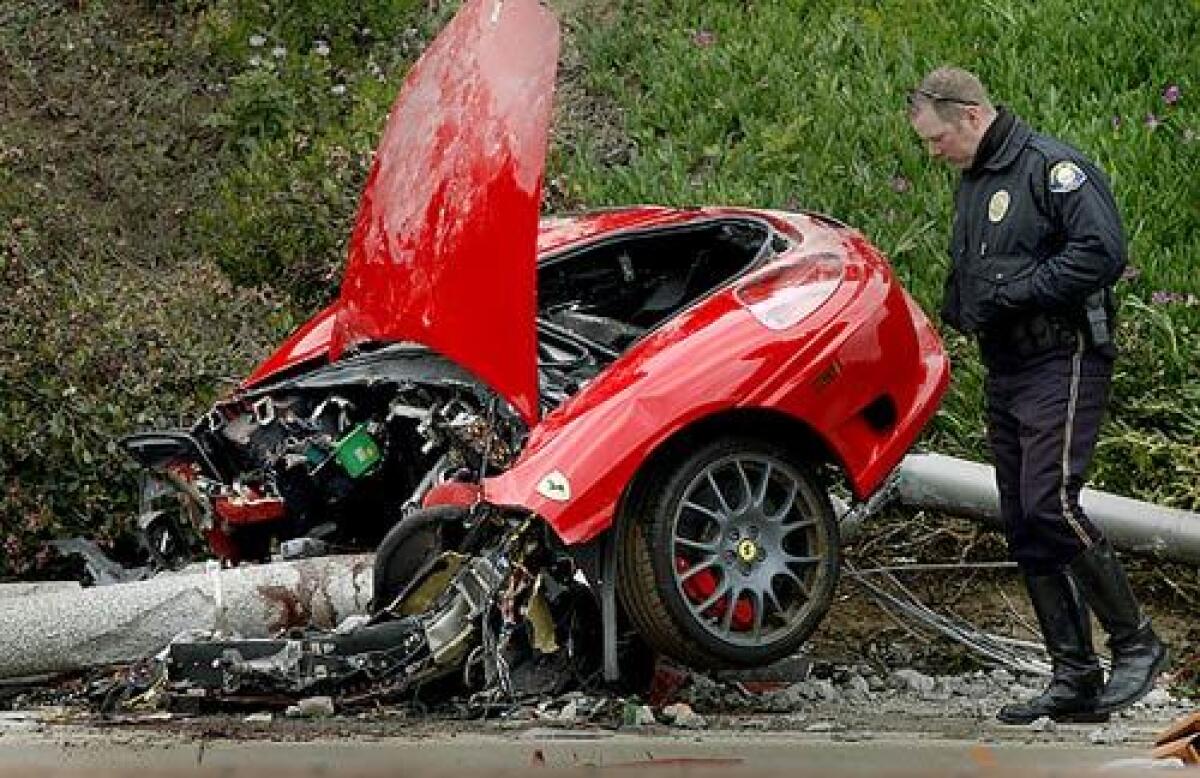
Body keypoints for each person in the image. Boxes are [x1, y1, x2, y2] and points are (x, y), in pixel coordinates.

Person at [906, 67, 1167, 724]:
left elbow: (1101, 252)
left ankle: (1138, 643)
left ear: (969, 115)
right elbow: (972, 267)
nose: (933, 154)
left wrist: (1020, 291)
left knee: (1051, 503)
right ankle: (1074, 675)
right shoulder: (975, 181)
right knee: (1024, 521)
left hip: (1063, 354)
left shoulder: (1052, 168)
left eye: (938, 139)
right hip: (1008, 366)